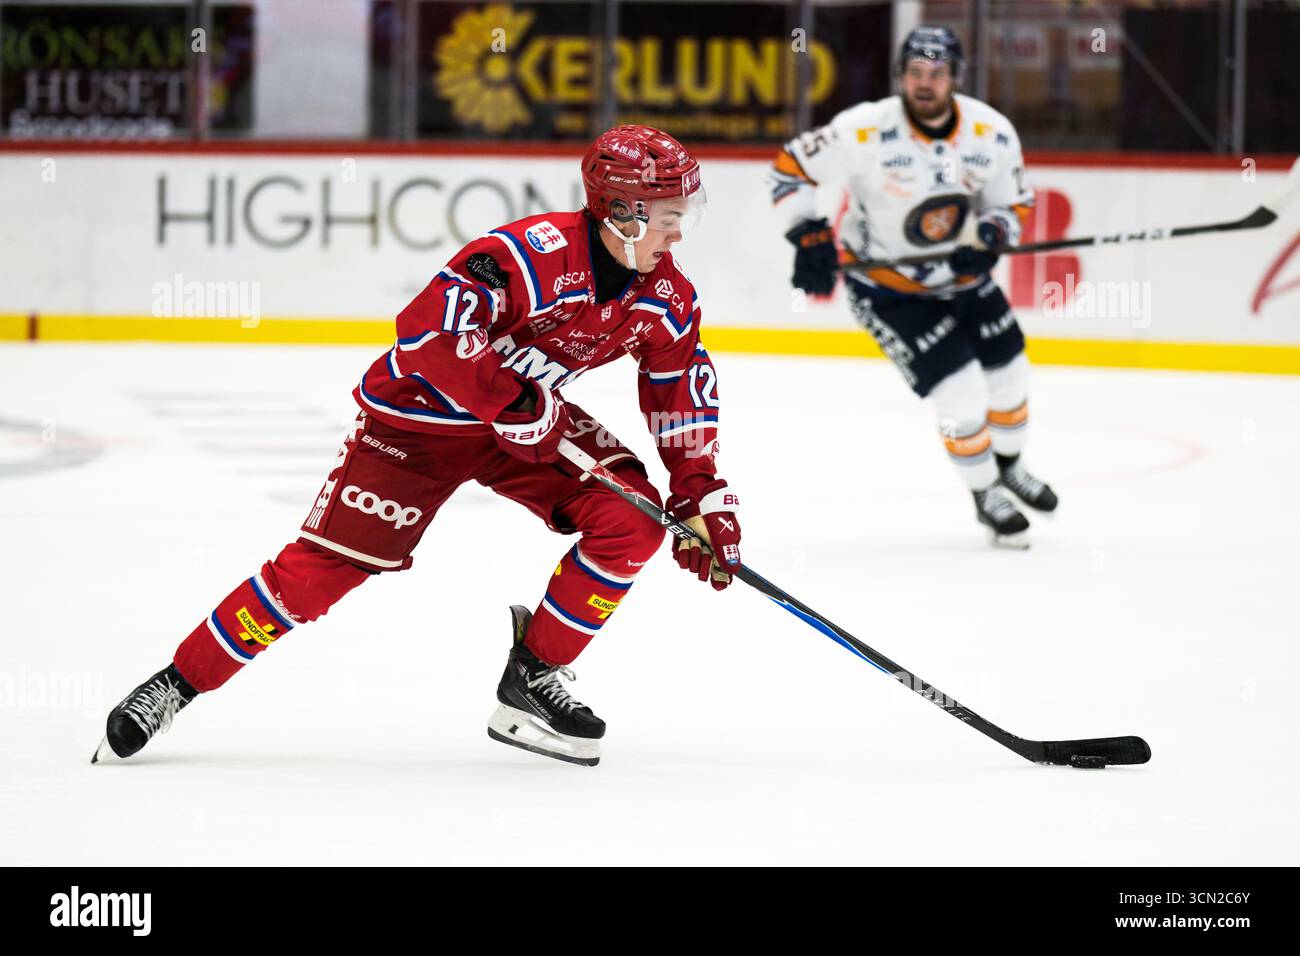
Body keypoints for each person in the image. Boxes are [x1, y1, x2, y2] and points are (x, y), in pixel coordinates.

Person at [93, 125, 741, 768]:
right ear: (622, 211)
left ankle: (534, 675)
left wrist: (698, 491)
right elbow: (427, 333)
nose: (678, 232)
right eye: (667, 216)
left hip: (524, 430)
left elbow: (678, 385)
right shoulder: (528, 254)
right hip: (418, 427)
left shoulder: (666, 295)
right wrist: (511, 402)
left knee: (631, 518)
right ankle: (177, 683)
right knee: (320, 573)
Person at [771, 25, 1057, 546]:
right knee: (963, 394)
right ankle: (985, 491)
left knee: (1012, 378)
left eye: (937, 73)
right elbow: (791, 168)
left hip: (965, 279)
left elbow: (1010, 203)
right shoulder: (863, 130)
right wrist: (807, 234)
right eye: (916, 73)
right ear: (900, 75)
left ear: (956, 78)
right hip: (888, 289)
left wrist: (991, 234)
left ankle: (1010, 467)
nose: (926, 84)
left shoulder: (990, 133)